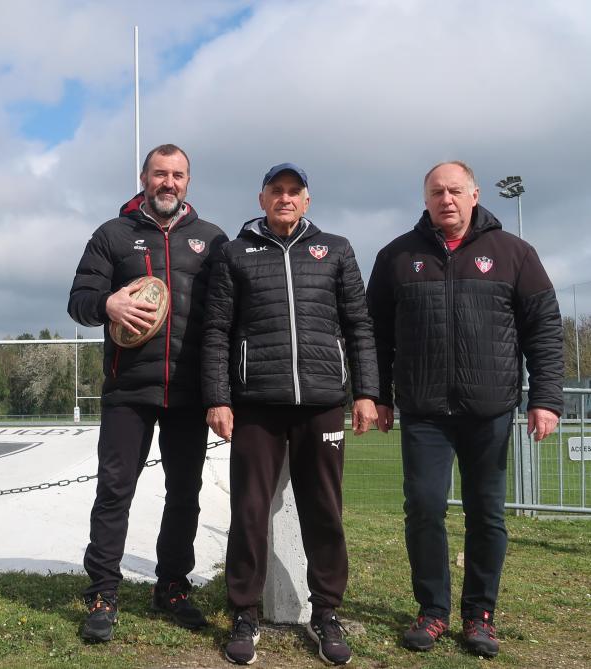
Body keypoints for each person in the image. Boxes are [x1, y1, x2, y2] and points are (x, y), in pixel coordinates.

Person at [366, 161, 563, 659]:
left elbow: (543, 331)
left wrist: (546, 399)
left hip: (490, 409)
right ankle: (432, 611)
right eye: (437, 192)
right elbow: (374, 336)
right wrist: (379, 395)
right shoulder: (396, 257)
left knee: (487, 514)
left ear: (475, 195)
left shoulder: (515, 254)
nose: (446, 199)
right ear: (426, 198)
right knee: (425, 508)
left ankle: (481, 615)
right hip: (424, 410)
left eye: (455, 190)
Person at [201, 163, 378, 666]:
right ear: (261, 199)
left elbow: (359, 324)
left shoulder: (336, 249)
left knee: (324, 511)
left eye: (293, 192)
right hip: (256, 404)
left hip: (322, 404)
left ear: (307, 200)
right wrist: (219, 397)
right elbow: (216, 330)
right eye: (275, 191)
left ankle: (326, 613)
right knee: (250, 511)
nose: (285, 198)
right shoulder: (235, 253)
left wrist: (365, 391)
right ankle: (244, 613)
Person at [67, 143, 228, 642]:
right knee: (115, 492)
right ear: (143, 177)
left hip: (187, 393)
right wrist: (107, 303)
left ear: (188, 182)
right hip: (127, 391)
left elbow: (225, 316)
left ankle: (172, 586)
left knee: (185, 494)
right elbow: (79, 301)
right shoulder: (112, 235)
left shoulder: (212, 239)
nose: (168, 183)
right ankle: (103, 592)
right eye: (160, 174)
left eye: (178, 175)